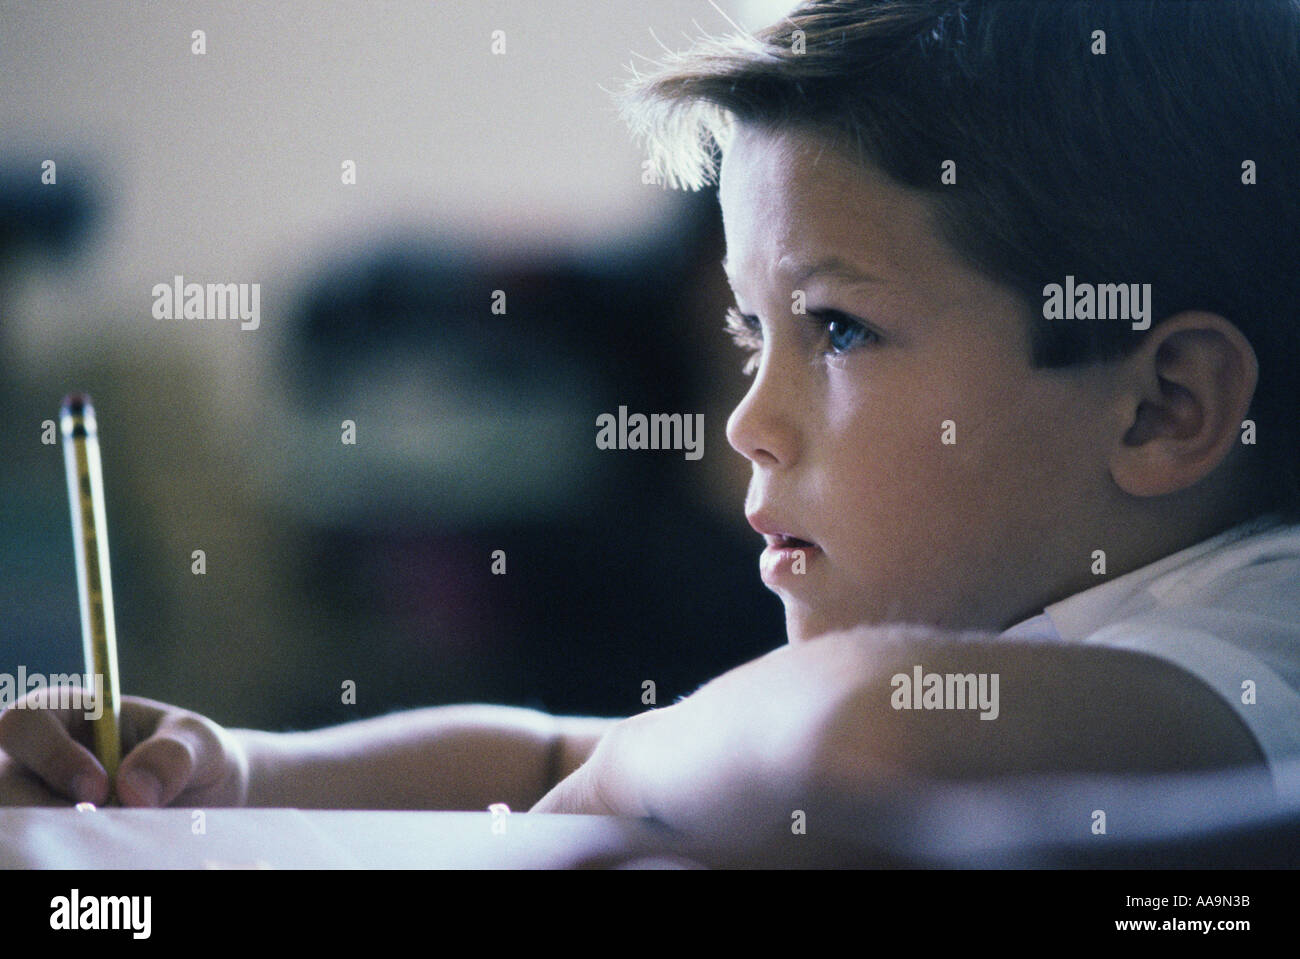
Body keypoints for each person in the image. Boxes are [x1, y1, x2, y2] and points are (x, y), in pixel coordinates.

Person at [3, 0, 1298, 860]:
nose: (749, 421)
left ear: (1164, 406)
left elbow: (854, 738)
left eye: (838, 329)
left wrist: (635, 774)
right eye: (750, 335)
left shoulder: (1255, 642)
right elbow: (566, 753)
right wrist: (239, 774)